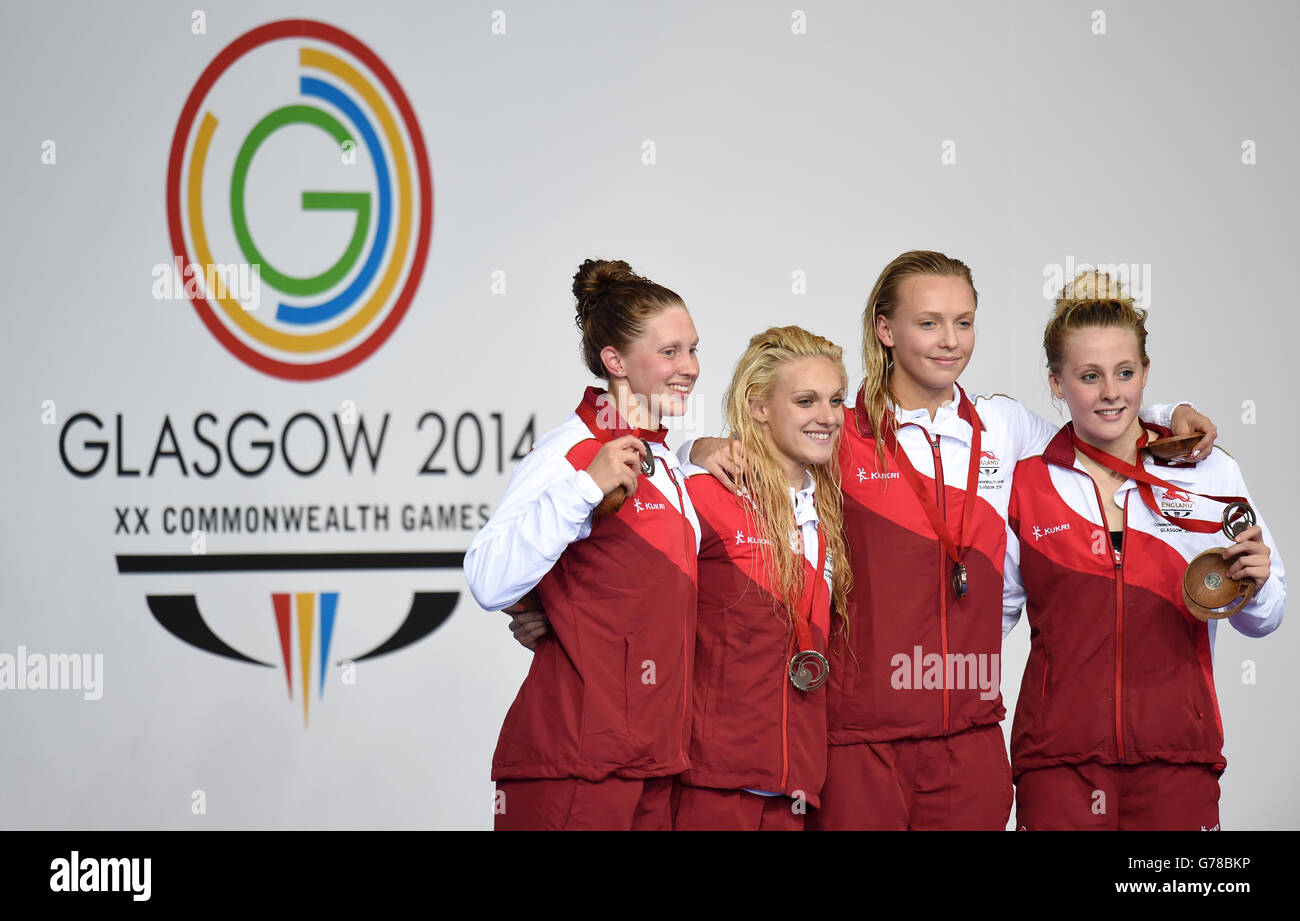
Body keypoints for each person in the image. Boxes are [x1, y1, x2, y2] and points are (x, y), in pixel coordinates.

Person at [687, 250, 1218, 830]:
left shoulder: (1004, 428)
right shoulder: (840, 432)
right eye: (929, 323)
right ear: (885, 330)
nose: (950, 340)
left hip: (970, 742)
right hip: (861, 743)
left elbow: (1097, 421)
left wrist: (1168, 413)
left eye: (963, 322)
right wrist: (700, 448)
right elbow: (768, 435)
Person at [1002, 270, 1284, 830]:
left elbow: (1267, 617)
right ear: (1056, 383)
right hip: (1059, 766)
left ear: (1146, 374)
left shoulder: (1207, 471)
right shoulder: (1028, 482)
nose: (1111, 393)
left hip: (1178, 759)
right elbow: (988, 620)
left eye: (1125, 373)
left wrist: (1258, 584)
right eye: (1089, 376)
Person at [464, 258, 702, 831]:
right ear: (614, 361)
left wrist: (699, 451)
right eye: (669, 352)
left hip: (651, 760)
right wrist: (584, 489)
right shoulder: (569, 450)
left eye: (693, 349)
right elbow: (487, 577)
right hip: (575, 762)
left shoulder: (666, 457)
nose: (689, 368)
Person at [672, 326, 853, 830]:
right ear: (758, 406)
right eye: (805, 400)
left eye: (836, 399)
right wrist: (539, 611)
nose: (827, 416)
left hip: (798, 787)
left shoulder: (834, 505)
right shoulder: (703, 495)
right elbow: (618, 571)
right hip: (712, 787)